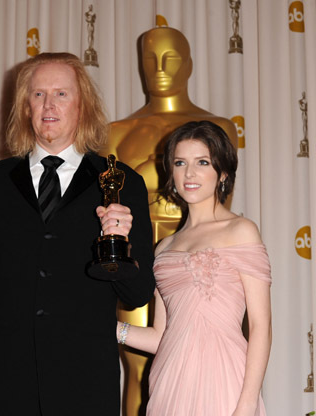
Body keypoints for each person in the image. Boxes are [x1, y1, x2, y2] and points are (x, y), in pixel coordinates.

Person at [0, 52, 155, 415]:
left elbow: (137, 294)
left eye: (61, 94)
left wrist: (122, 246)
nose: (48, 104)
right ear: (25, 107)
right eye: (37, 95)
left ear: (83, 105)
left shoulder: (120, 182)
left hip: (85, 380)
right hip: (6, 382)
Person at [103, 26, 238, 415]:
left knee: (207, 360)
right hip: (141, 256)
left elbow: (220, 209)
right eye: (151, 57)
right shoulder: (116, 132)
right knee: (135, 363)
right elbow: (108, 202)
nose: (159, 67)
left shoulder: (218, 127)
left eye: (171, 57)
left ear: (189, 64)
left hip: (198, 261)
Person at [117, 120, 272, 415]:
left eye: (202, 162)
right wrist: (108, 329)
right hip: (169, 383)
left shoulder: (241, 231)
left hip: (225, 380)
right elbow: (162, 337)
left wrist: (248, 402)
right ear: (171, 173)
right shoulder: (163, 248)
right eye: (180, 162)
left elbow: (261, 327)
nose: (189, 173)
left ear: (222, 172)